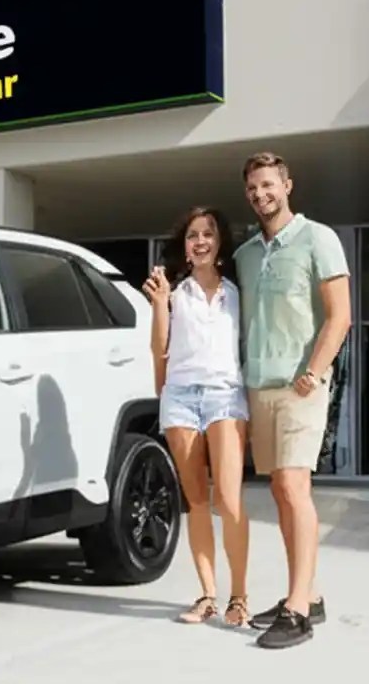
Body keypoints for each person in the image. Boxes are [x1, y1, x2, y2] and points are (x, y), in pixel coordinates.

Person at [232, 152, 352, 650]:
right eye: (253, 188)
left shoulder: (318, 238)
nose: (261, 194)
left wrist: (313, 371)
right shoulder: (243, 255)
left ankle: (298, 610)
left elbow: (340, 315)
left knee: (292, 485)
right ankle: (308, 594)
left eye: (268, 185)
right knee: (280, 492)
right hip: (260, 387)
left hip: (301, 385)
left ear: (287, 186)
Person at [142, 206, 251, 627]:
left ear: (220, 242)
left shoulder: (237, 293)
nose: (200, 241)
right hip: (181, 399)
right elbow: (160, 350)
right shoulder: (175, 293)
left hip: (225, 395)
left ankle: (239, 597)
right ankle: (208, 594)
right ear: (184, 246)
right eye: (192, 235)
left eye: (207, 234)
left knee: (228, 497)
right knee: (198, 501)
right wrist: (158, 304)